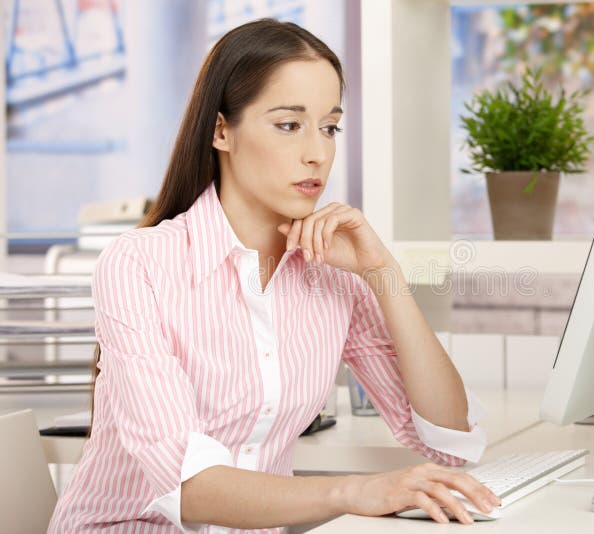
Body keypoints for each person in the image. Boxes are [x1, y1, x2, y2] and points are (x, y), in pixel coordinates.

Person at [48, 18, 497, 533]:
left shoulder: (333, 273)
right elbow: (189, 487)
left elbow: (451, 442)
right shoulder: (138, 265)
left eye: (329, 126)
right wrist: (354, 492)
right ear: (221, 130)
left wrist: (382, 273)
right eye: (289, 124)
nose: (319, 152)